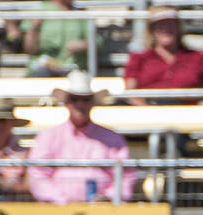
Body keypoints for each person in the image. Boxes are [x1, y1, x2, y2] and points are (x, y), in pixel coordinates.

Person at [28, 71, 136, 204]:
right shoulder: (48, 136)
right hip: (56, 211)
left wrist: (107, 197)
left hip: (103, 211)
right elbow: (37, 175)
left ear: (92, 103)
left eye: (85, 100)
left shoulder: (112, 139)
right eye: (75, 99)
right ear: (67, 103)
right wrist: (62, 200)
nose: (80, 105)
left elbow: (126, 176)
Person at [123, 7, 203, 103]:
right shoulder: (139, 58)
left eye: (170, 24)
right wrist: (149, 113)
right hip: (147, 115)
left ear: (178, 28)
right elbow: (130, 93)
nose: (166, 29)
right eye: (161, 25)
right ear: (152, 31)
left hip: (183, 117)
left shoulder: (196, 58)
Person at [24, 0, 90, 77]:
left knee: (79, 80)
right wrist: (34, 29)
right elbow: (30, 49)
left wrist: (84, 44)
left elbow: (97, 42)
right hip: (43, 69)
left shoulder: (82, 12)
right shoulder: (39, 11)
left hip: (74, 69)